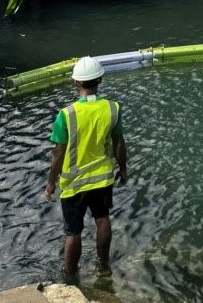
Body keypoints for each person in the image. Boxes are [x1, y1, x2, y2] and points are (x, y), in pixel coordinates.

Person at [45, 56, 128, 277]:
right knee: (102, 218)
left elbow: (58, 153)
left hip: (74, 182)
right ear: (99, 79)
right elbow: (119, 142)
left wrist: (51, 182)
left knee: (72, 232)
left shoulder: (66, 114)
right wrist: (124, 169)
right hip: (102, 177)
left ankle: (71, 276)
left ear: (76, 83)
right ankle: (103, 264)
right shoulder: (113, 109)